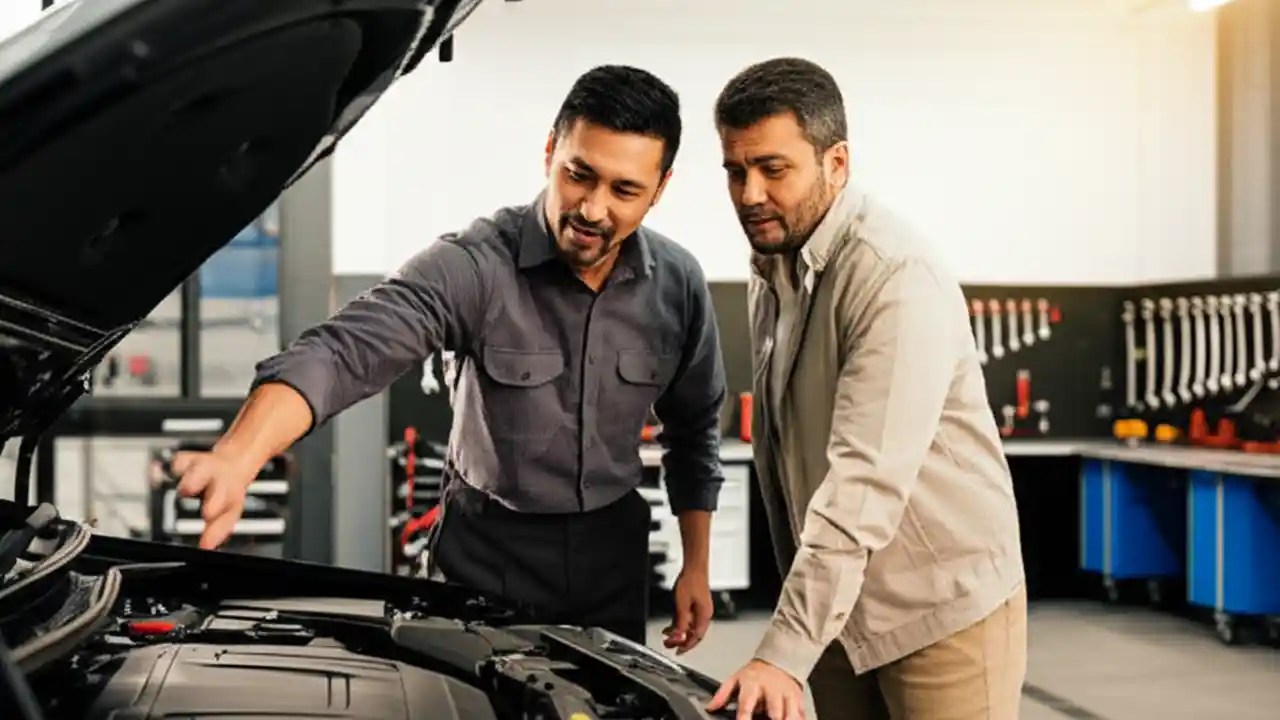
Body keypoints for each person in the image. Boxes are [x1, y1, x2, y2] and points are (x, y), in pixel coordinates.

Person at [171, 65, 728, 650]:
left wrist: (696, 564)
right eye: (578, 174)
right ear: (549, 152)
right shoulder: (476, 265)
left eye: (624, 190)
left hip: (611, 557)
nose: (591, 209)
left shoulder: (678, 284)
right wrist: (240, 453)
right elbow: (345, 350)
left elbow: (693, 432)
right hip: (487, 553)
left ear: (659, 190)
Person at [705, 57, 1027, 720]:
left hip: (938, 613)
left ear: (837, 163)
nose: (749, 194)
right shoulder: (775, 264)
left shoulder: (892, 277)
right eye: (736, 171)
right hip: (840, 609)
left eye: (774, 168)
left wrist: (782, 650)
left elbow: (863, 483)